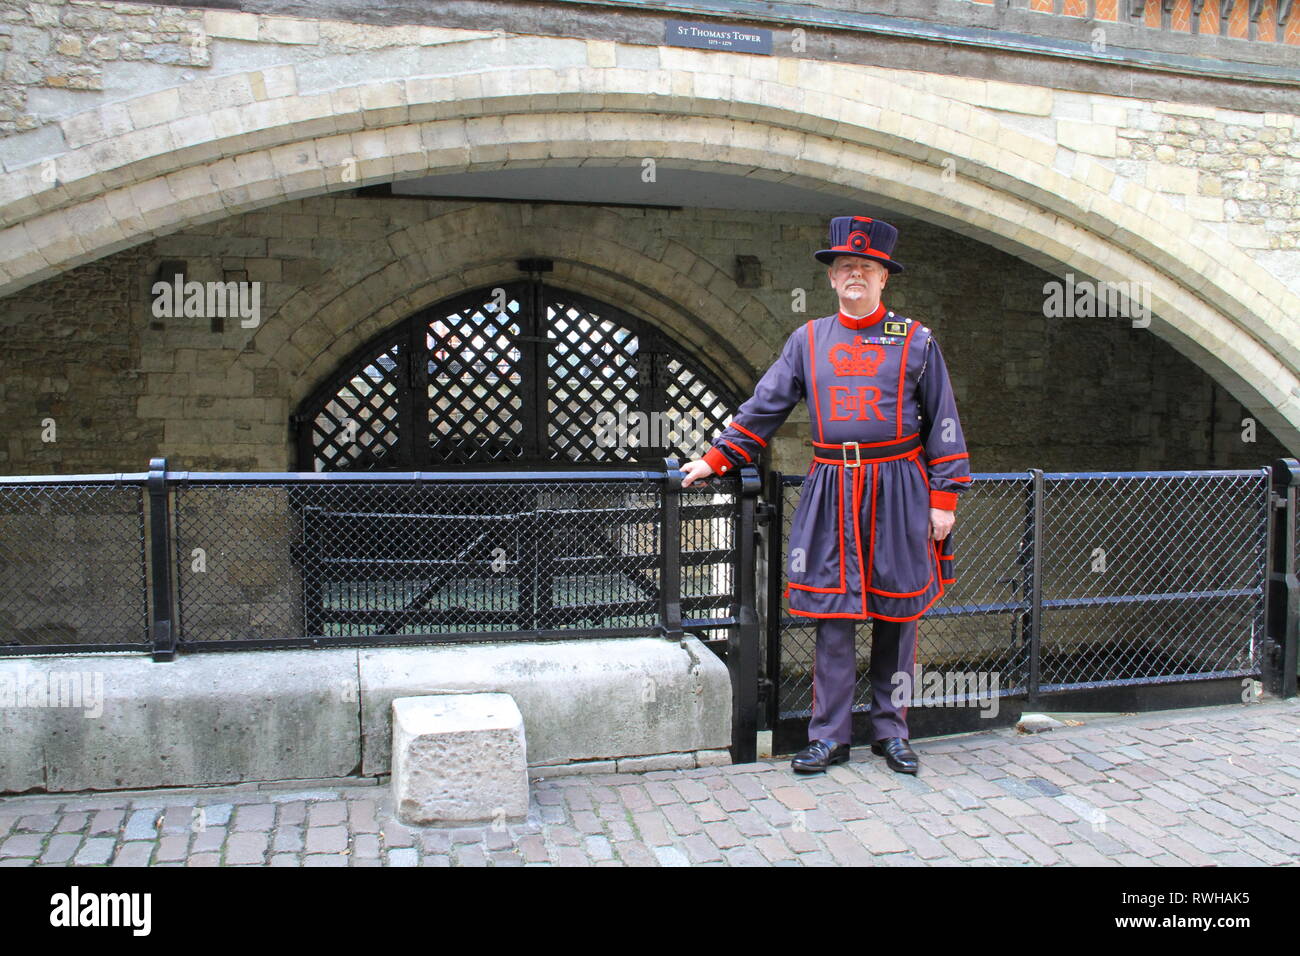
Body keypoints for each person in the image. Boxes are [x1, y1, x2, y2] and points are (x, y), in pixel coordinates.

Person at [680, 216, 970, 775]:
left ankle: (891, 733)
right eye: (844, 268)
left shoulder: (917, 340)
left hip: (900, 487)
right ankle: (829, 737)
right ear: (833, 280)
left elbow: (945, 423)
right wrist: (717, 458)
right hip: (832, 487)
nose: (854, 275)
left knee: (897, 616)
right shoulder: (807, 340)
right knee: (833, 617)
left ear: (884, 277)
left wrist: (945, 498)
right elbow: (765, 407)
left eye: (865, 267)